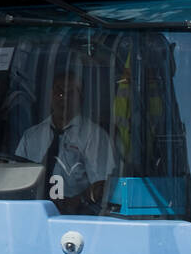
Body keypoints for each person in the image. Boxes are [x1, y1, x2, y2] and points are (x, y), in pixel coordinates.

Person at [15, 72, 116, 214]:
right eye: (59, 92)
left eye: (71, 93)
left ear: (80, 98)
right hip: (34, 213)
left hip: (80, 216)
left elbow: (103, 185)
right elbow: (15, 180)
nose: (64, 99)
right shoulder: (31, 137)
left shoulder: (95, 136)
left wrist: (77, 201)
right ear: (50, 96)